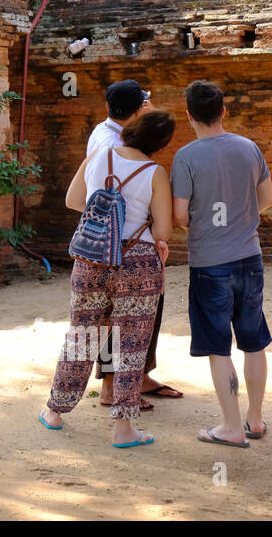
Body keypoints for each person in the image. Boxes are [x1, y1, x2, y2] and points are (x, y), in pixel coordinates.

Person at [40, 110, 176, 448]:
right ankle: (123, 429)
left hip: (93, 258)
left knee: (83, 336)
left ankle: (55, 412)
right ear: (160, 144)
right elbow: (163, 230)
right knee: (131, 344)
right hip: (137, 264)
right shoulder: (155, 172)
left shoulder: (99, 156)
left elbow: (74, 201)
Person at [171, 80, 272, 449]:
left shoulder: (185, 157)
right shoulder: (249, 148)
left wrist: (203, 221)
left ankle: (231, 426)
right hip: (250, 258)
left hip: (210, 264)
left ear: (189, 116)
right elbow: (266, 200)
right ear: (223, 111)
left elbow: (181, 215)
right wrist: (239, 219)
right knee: (254, 340)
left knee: (218, 346)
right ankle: (256, 420)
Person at [87, 79, 184, 409]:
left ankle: (138, 375)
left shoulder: (117, 140)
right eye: (147, 104)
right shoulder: (109, 145)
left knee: (142, 313)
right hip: (117, 246)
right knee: (118, 317)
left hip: (126, 244)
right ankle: (112, 386)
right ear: (140, 109)